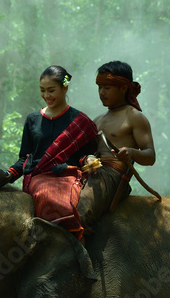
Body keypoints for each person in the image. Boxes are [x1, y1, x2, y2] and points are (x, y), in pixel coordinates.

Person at [10, 60, 157, 232]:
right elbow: (83, 153)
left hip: (111, 175)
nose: (101, 92)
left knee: (75, 212)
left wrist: (131, 152)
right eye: (99, 87)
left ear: (123, 88)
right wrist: (86, 160)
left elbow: (150, 156)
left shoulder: (134, 117)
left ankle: (77, 257)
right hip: (86, 172)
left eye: (107, 88)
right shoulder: (97, 120)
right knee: (58, 200)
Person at [0, 65, 99, 238]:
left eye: (51, 90)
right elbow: (26, 157)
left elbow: (86, 155)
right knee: (45, 195)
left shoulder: (79, 121)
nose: (46, 96)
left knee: (64, 205)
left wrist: (89, 160)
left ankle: (74, 247)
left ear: (65, 87)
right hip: (39, 177)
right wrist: (8, 175)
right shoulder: (32, 119)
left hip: (68, 176)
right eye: (42, 90)